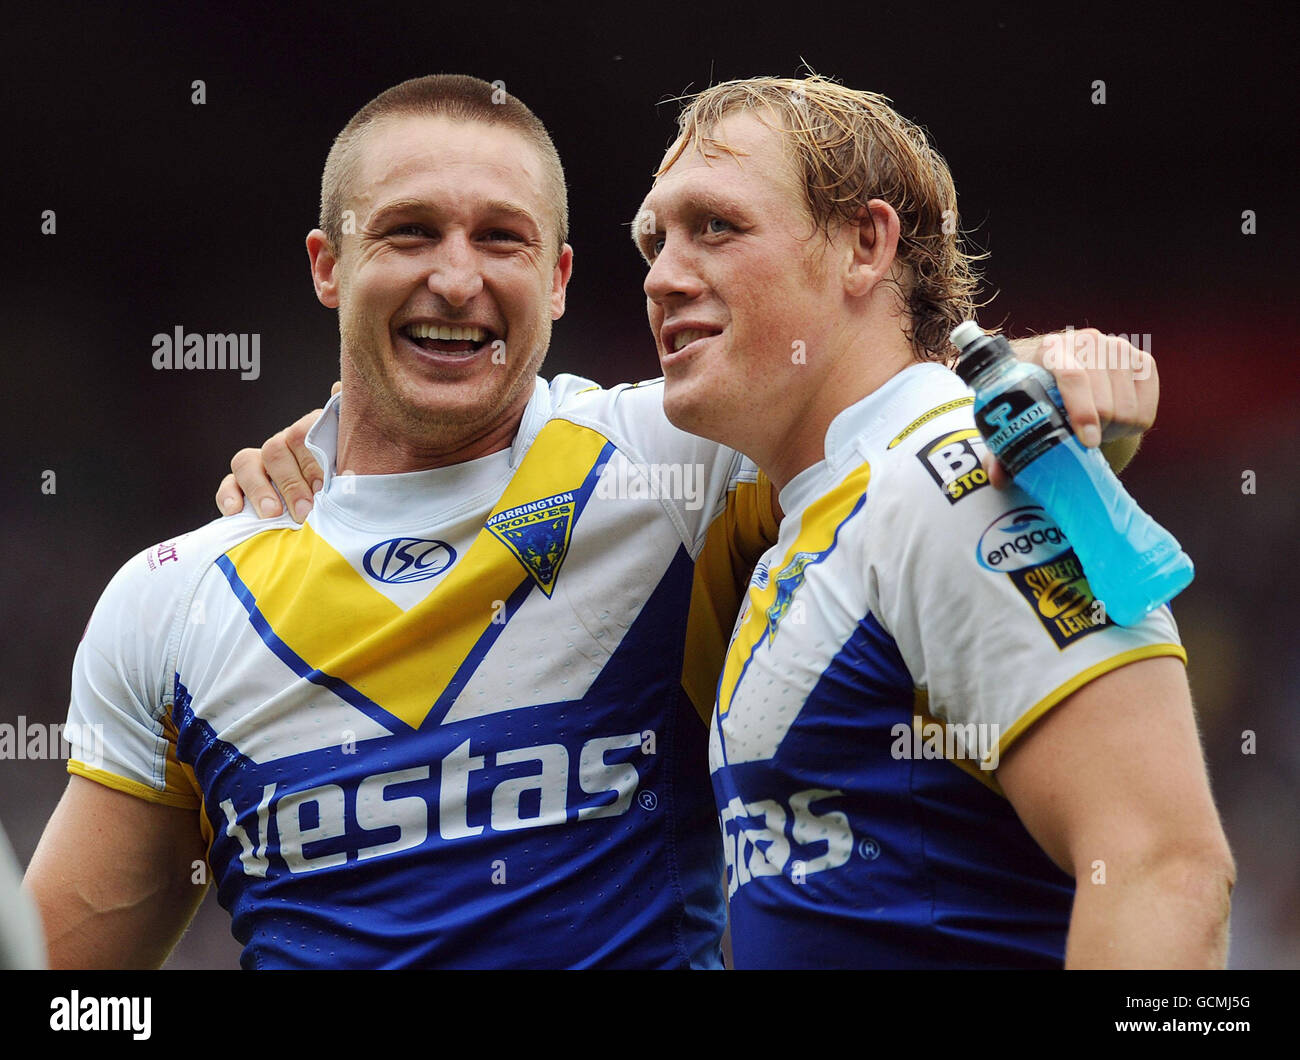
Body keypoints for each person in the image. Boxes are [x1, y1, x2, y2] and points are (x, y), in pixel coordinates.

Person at [29, 74, 1156, 970]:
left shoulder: (680, 462)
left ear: (562, 277)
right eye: (410, 233)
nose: (458, 279)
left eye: (503, 239)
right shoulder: (175, 596)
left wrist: (1065, 374)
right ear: (331, 266)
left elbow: (894, 414)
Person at [629, 75, 1234, 966]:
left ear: (866, 245)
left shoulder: (959, 475)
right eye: (655, 240)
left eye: (716, 226)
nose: (664, 276)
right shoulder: (807, 514)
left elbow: (1167, 870)